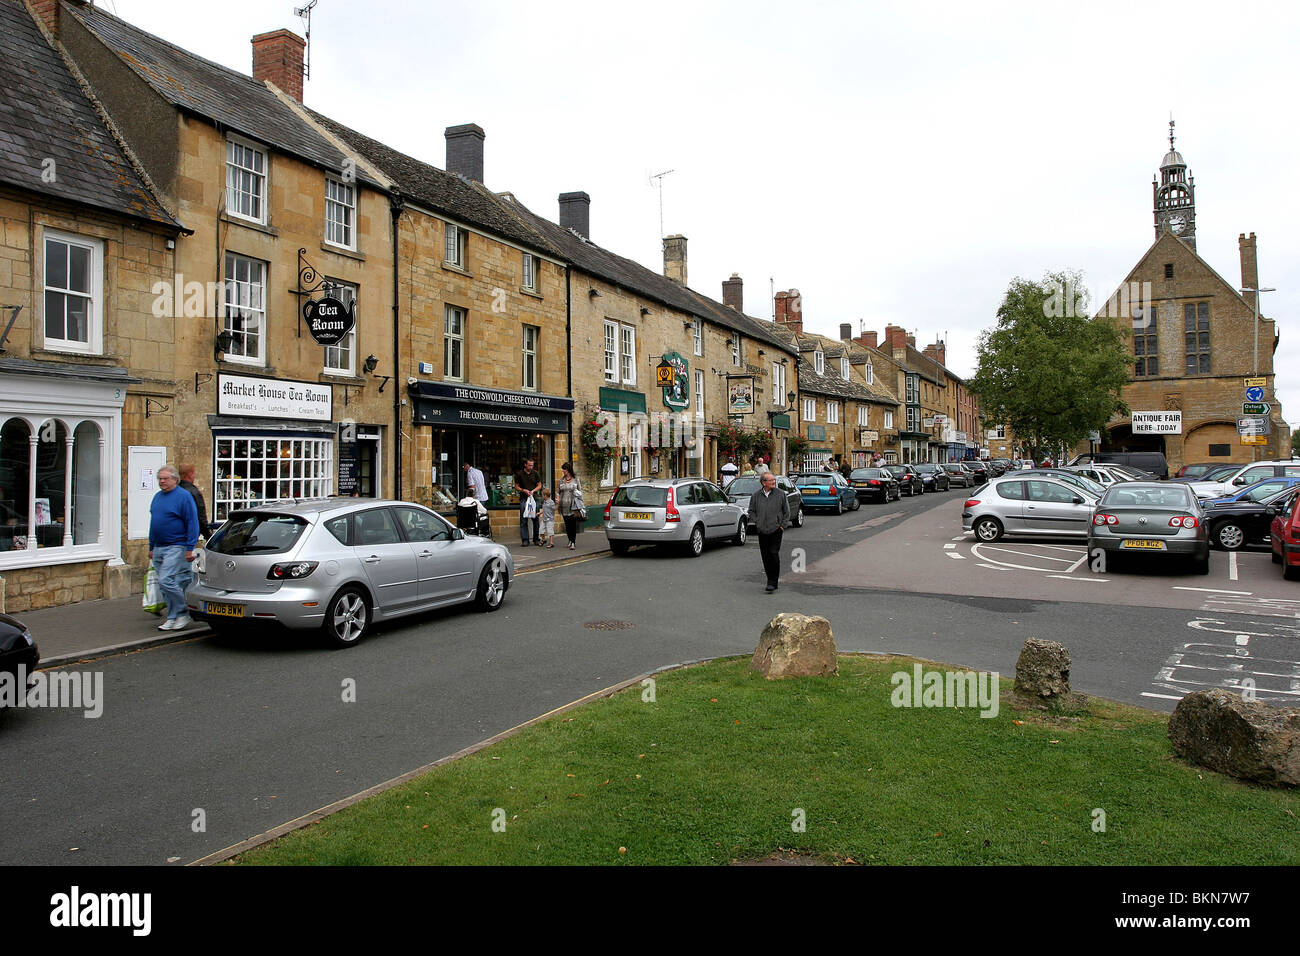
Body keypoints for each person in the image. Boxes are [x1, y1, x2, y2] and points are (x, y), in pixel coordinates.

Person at [148, 465, 199, 631]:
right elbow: (154, 523)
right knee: (163, 585)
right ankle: (172, 616)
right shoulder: (157, 497)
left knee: (166, 580)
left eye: (165, 478)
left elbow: (192, 522)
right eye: (160, 478)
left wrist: (190, 547)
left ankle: (183, 611)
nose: (162, 481)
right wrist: (151, 546)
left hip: (176, 545)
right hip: (159, 546)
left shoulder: (184, 497)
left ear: (175, 479)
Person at [746, 471, 790, 593]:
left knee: (773, 553)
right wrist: (757, 522)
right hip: (762, 530)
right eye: (771, 480)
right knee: (766, 556)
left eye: (774, 480)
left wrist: (782, 526)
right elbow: (751, 511)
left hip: (776, 529)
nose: (774, 482)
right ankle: (769, 579)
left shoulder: (780, 494)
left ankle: (773, 582)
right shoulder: (756, 496)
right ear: (763, 482)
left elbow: (786, 512)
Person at [177, 463, 212, 542]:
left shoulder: (175, 490)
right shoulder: (194, 492)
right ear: (190, 474)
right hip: (188, 535)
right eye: (193, 473)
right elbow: (201, 517)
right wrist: (208, 536)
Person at [514, 458, 542, 546]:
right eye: (529, 465)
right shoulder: (519, 474)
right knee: (523, 520)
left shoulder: (535, 473)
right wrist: (523, 490)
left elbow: (539, 485)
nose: (531, 467)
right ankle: (525, 540)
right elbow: (516, 486)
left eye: (532, 465)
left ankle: (536, 539)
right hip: (524, 498)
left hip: (534, 498)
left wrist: (533, 490)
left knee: (536, 519)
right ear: (525, 465)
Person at [557, 462, 585, 550]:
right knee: (567, 525)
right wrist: (557, 498)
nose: (562, 471)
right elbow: (558, 492)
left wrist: (579, 498)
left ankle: (573, 542)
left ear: (568, 470)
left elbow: (580, 492)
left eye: (564, 470)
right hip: (563, 505)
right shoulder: (561, 480)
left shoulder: (575, 479)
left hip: (573, 506)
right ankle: (569, 540)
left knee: (572, 525)